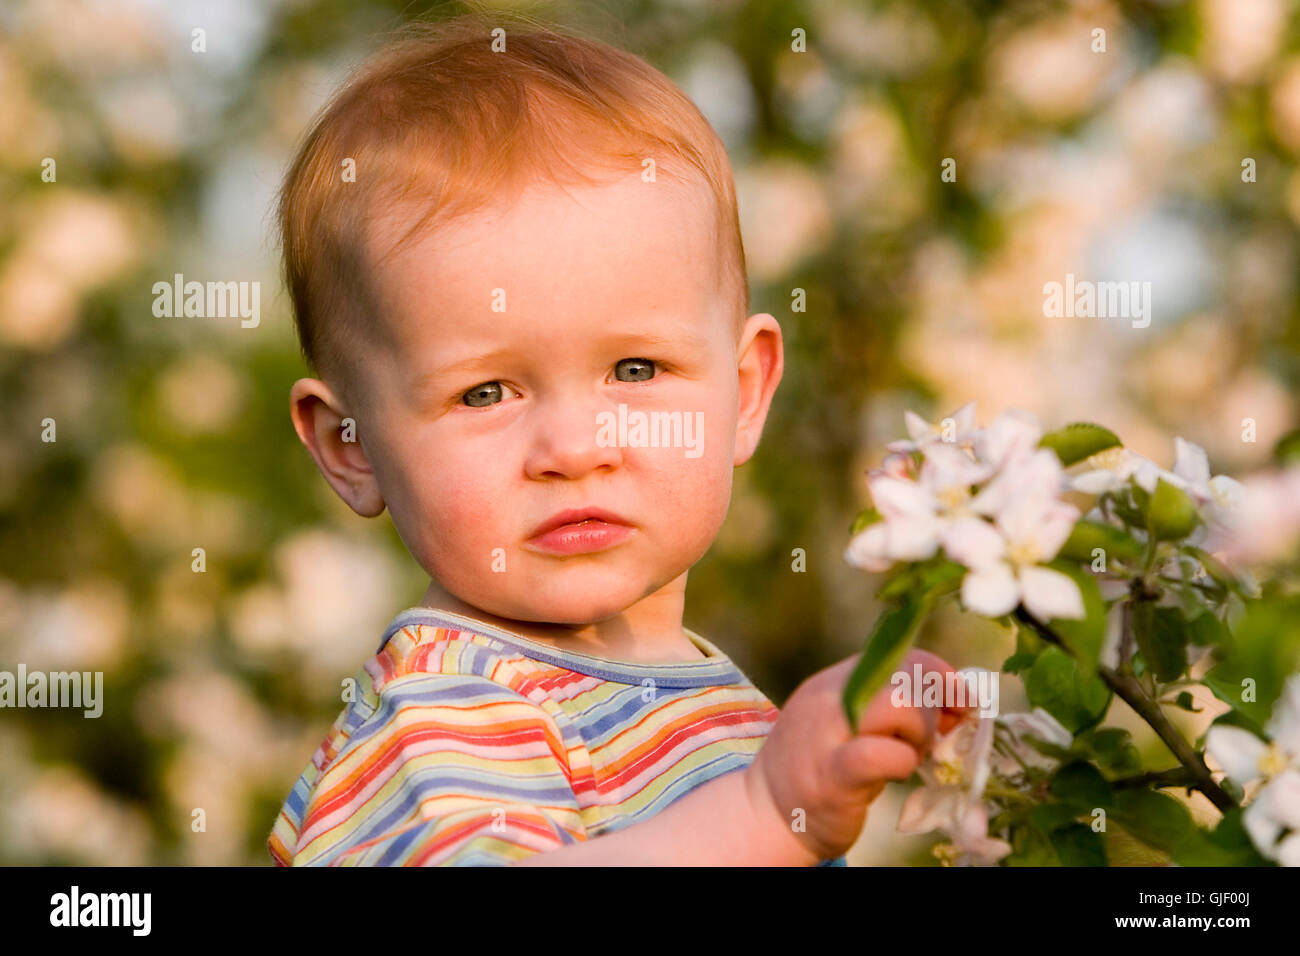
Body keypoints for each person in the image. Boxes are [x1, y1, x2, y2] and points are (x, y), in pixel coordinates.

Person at [268, 12, 967, 866]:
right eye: (484, 392)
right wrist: (763, 812)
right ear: (352, 445)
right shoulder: (447, 709)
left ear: (742, 394)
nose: (575, 447)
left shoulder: (705, 695)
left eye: (635, 371)